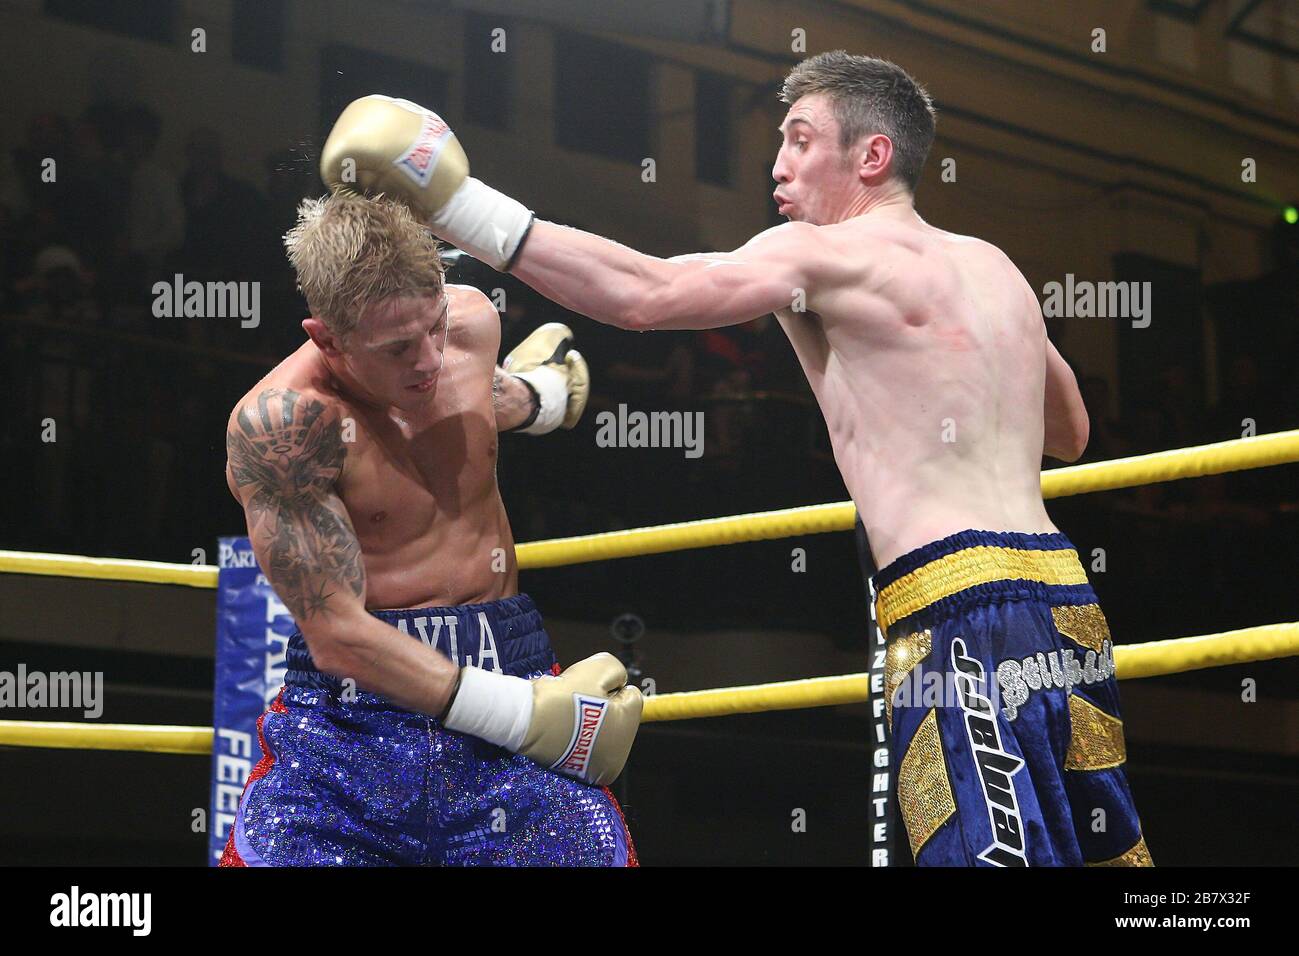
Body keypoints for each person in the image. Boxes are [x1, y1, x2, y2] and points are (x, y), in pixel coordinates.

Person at [319, 49, 1151, 867]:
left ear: (872, 155)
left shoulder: (822, 254)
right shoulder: (996, 267)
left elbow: (645, 295)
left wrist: (461, 206)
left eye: (799, 139)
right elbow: (1070, 432)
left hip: (958, 604)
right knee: (1102, 853)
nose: (777, 164)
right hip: (1065, 600)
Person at [219, 192, 640, 867]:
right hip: (351, 721)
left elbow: (481, 395)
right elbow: (339, 638)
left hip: (506, 657)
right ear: (326, 337)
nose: (427, 360)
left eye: (433, 326)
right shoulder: (285, 428)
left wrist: (545, 398)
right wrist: (529, 718)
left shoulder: (470, 325)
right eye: (396, 347)